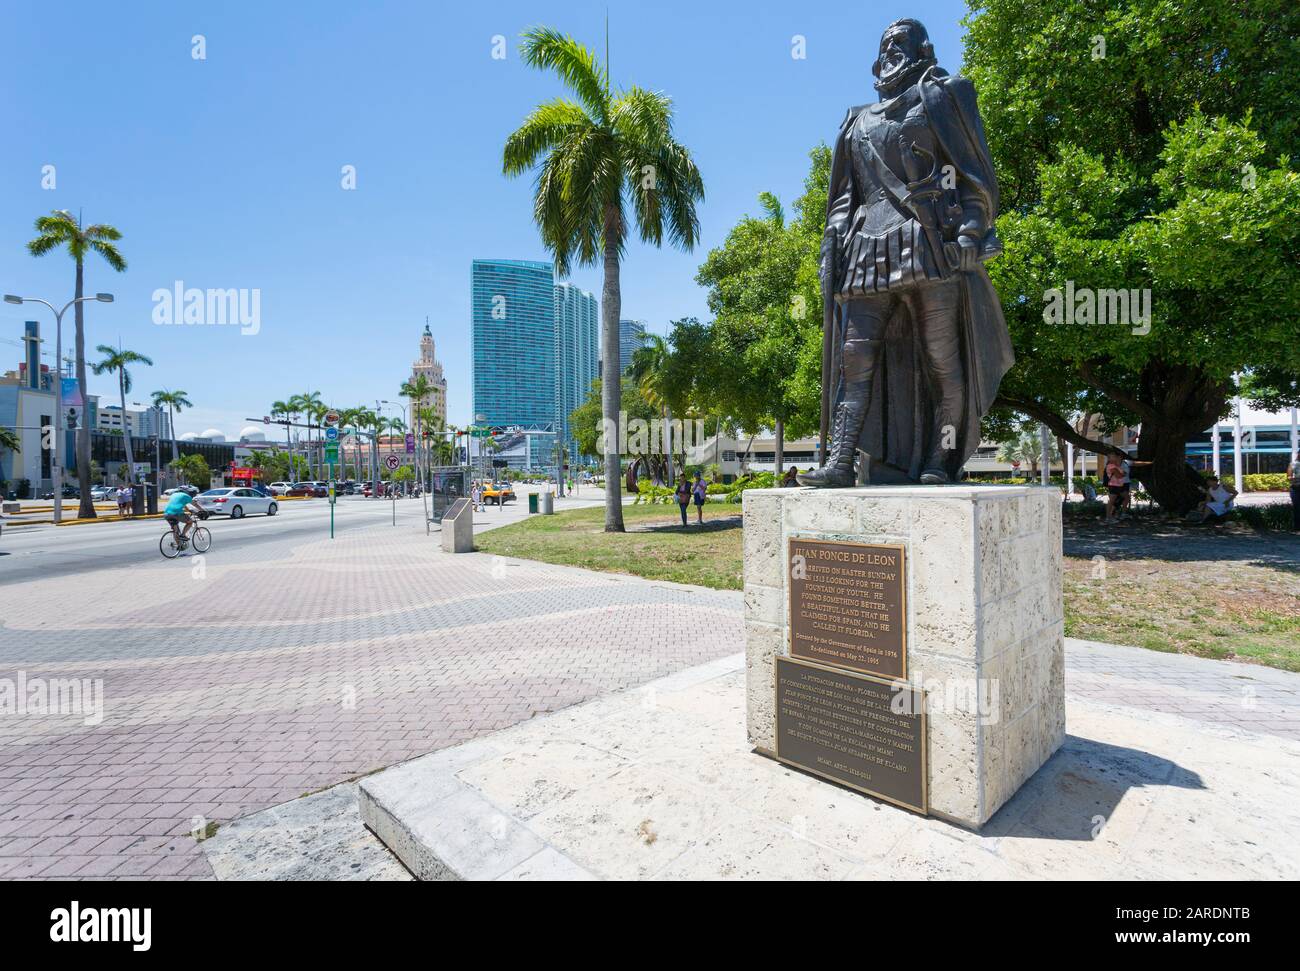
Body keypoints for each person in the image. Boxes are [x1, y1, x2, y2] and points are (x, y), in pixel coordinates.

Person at [1289, 454, 1300, 531]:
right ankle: (1297, 527)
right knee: (1297, 508)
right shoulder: (1293, 464)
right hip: (1296, 489)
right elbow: (1288, 477)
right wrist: (1296, 478)